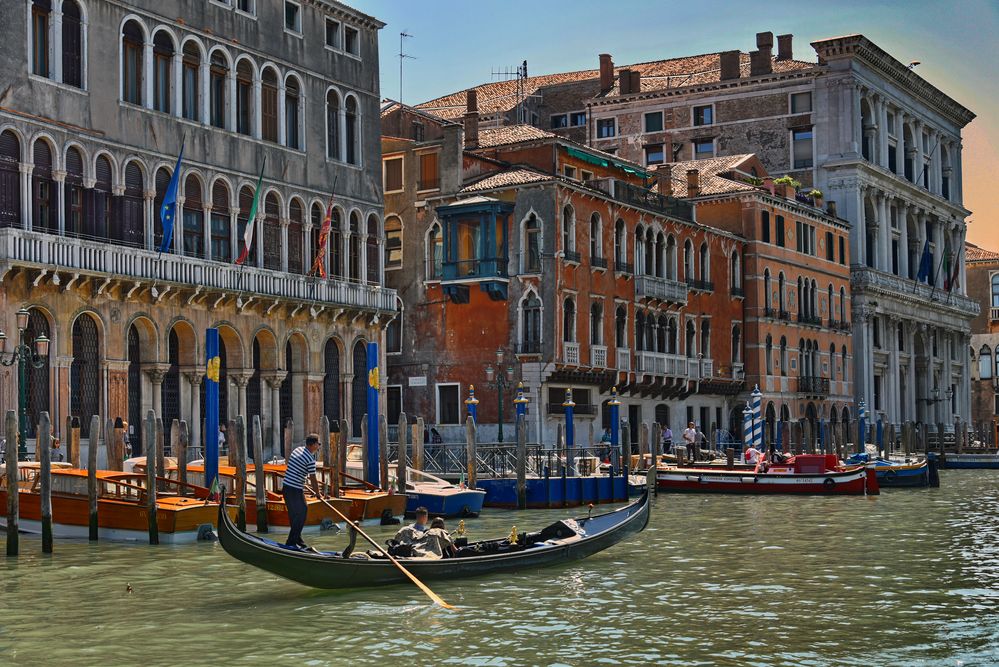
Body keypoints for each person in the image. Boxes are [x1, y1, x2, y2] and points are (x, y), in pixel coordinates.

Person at [281, 433, 324, 549]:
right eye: (318, 444)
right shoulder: (310, 459)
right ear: (313, 445)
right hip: (294, 489)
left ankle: (298, 540)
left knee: (294, 515)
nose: (319, 446)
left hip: (286, 487)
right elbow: (313, 479)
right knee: (302, 512)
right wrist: (318, 494)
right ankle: (290, 542)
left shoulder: (297, 450)